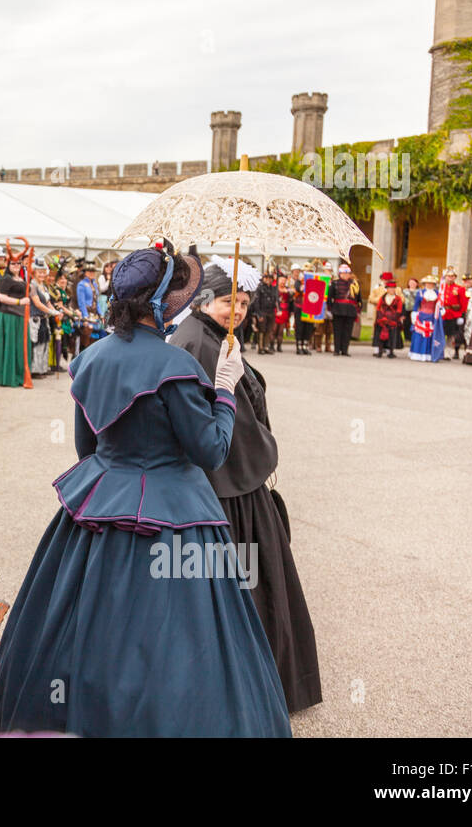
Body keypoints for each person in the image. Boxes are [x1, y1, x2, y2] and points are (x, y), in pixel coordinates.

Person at [0, 244, 290, 736]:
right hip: (176, 513)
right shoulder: (177, 366)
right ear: (164, 302)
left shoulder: (89, 359)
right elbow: (211, 450)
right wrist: (226, 389)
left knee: (83, 626)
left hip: (99, 509)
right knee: (179, 641)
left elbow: (89, 450)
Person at [171, 257, 322, 713]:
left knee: (250, 580)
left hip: (238, 479)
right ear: (203, 300)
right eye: (225, 301)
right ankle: (243, 687)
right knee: (242, 584)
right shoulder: (198, 342)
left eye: (241, 301)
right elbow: (207, 420)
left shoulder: (217, 337)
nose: (235, 309)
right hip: (225, 485)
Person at [0, 259, 30, 387]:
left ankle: (18, 375)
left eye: (18, 263)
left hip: (20, 317)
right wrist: (19, 302)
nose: (16, 266)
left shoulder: (22, 279)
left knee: (18, 347)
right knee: (9, 346)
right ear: (8, 265)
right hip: (8, 316)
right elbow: (2, 297)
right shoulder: (6, 279)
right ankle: (6, 377)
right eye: (13, 263)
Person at [409, 275, 445, 363]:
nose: (429, 285)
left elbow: (439, 304)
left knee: (431, 336)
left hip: (432, 317)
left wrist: (441, 310)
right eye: (428, 283)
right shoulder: (420, 293)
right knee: (420, 335)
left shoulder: (437, 293)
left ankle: (430, 354)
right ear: (424, 284)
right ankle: (418, 354)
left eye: (431, 283)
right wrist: (414, 314)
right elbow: (416, 305)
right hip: (421, 317)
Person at [328, 263, 360, 356]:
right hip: (338, 309)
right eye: (344, 273)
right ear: (340, 274)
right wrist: (330, 309)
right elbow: (330, 297)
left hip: (350, 310)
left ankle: (345, 350)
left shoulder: (354, 284)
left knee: (347, 331)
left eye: (348, 273)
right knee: (337, 331)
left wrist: (358, 309)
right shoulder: (335, 283)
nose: (346, 275)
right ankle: (337, 350)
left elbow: (359, 298)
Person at [372, 274, 404, 358]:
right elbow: (378, 307)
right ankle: (379, 351)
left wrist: (394, 317)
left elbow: (399, 309)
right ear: (387, 289)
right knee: (381, 335)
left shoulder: (398, 298)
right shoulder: (382, 297)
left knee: (392, 336)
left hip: (393, 320)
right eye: (390, 288)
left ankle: (391, 351)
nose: (391, 290)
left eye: (393, 289)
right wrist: (381, 317)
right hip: (382, 319)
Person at [439, 267, 468, 360]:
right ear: (445, 277)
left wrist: (461, 314)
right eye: (448, 276)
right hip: (442, 313)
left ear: (455, 277)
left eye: (452, 276)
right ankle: (439, 351)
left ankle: (447, 352)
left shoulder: (459, 289)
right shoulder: (441, 288)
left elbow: (463, 303)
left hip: (453, 314)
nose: (450, 278)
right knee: (440, 333)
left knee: (450, 334)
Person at [250, 267, 279, 354]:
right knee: (261, 330)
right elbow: (256, 302)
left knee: (269, 330)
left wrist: (278, 309)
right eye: (266, 278)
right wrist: (259, 314)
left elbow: (275, 299)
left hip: (271, 311)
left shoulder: (273, 288)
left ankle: (266, 346)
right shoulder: (260, 288)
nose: (268, 280)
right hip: (262, 311)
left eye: (270, 278)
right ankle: (260, 347)